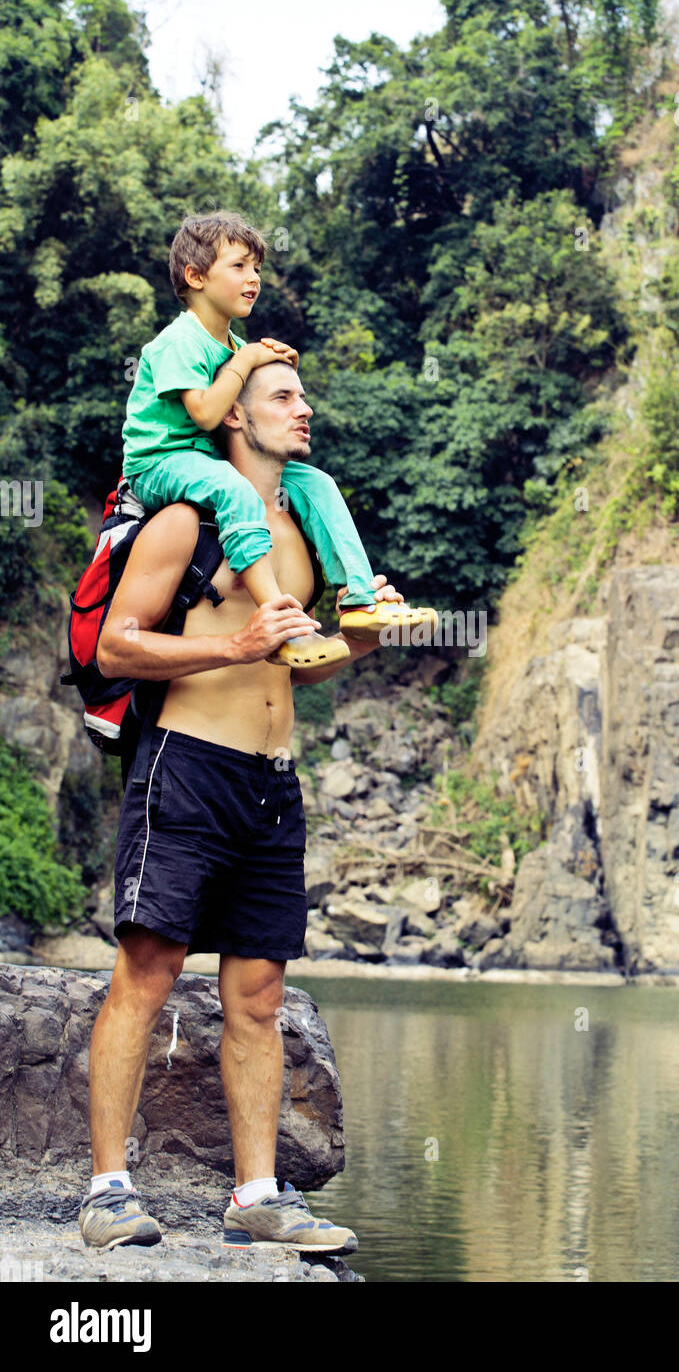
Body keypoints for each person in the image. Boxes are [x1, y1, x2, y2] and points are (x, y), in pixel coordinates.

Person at [78, 350, 403, 1254]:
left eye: (304, 397)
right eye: (285, 397)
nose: (306, 411)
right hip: (185, 766)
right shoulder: (186, 522)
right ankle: (108, 1192)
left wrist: (364, 643)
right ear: (234, 416)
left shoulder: (298, 525)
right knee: (145, 975)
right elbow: (115, 649)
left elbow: (294, 659)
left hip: (270, 781)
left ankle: (256, 1196)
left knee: (258, 995)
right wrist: (231, 648)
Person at [121, 208, 436, 667]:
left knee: (318, 483)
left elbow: (248, 398)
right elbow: (208, 413)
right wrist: (248, 361)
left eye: (257, 268)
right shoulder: (179, 341)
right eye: (239, 266)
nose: (254, 278)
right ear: (194, 276)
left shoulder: (232, 343)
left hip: (205, 459)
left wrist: (269, 364)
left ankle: (360, 601)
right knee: (237, 491)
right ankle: (280, 618)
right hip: (160, 462)